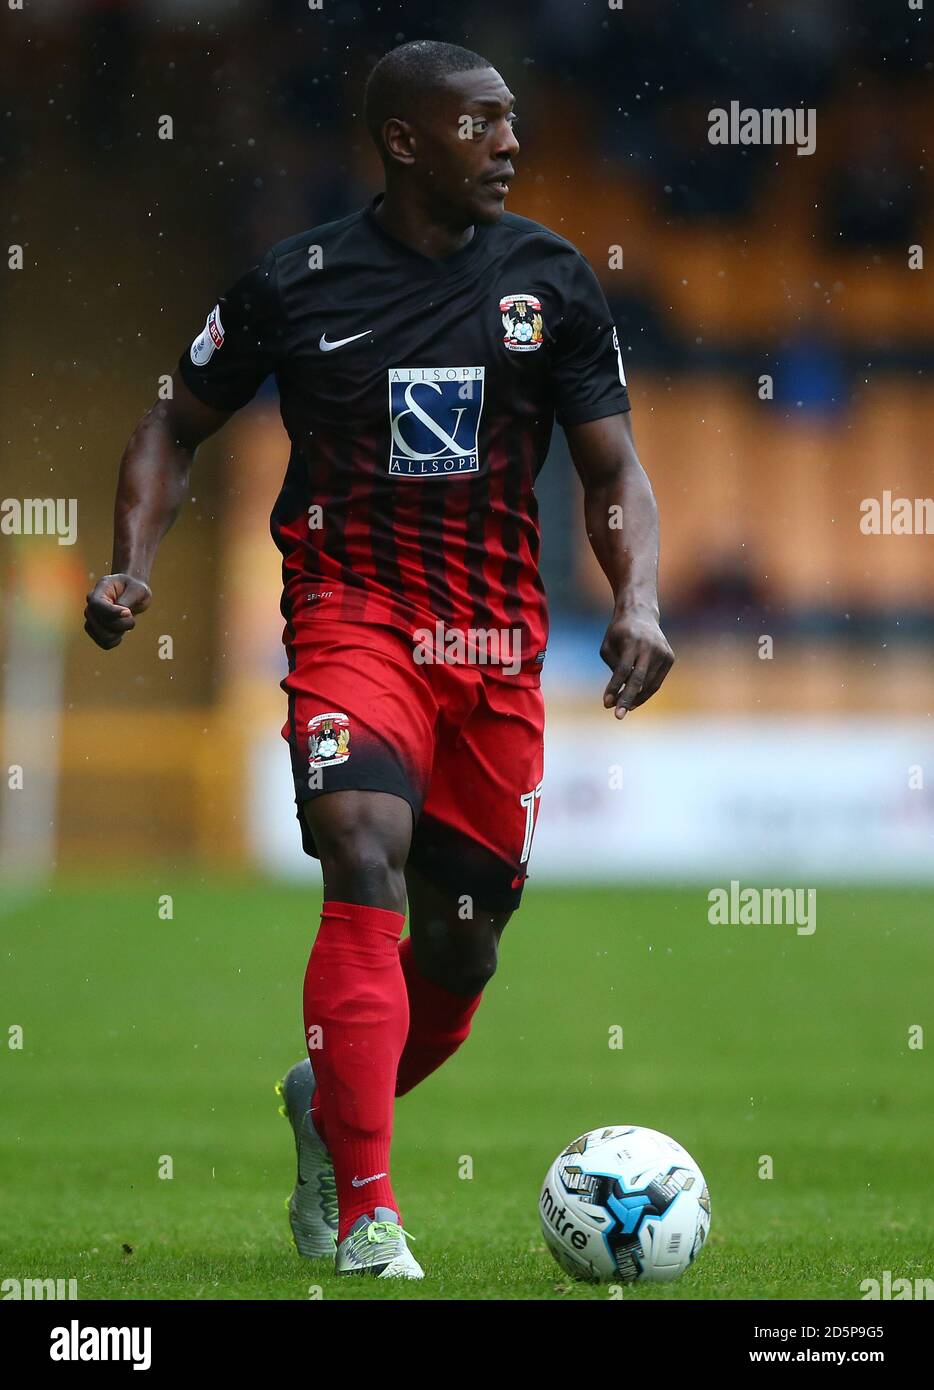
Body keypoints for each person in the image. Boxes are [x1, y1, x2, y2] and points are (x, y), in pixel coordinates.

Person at [84, 39, 674, 1279]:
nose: (511, 143)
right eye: (483, 124)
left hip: (497, 648)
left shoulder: (552, 280)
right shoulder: (293, 284)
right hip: (353, 619)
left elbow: (613, 469)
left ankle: (328, 1099)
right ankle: (368, 1212)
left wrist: (639, 600)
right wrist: (135, 559)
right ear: (404, 140)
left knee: (460, 948)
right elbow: (170, 423)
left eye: (514, 122)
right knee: (359, 844)